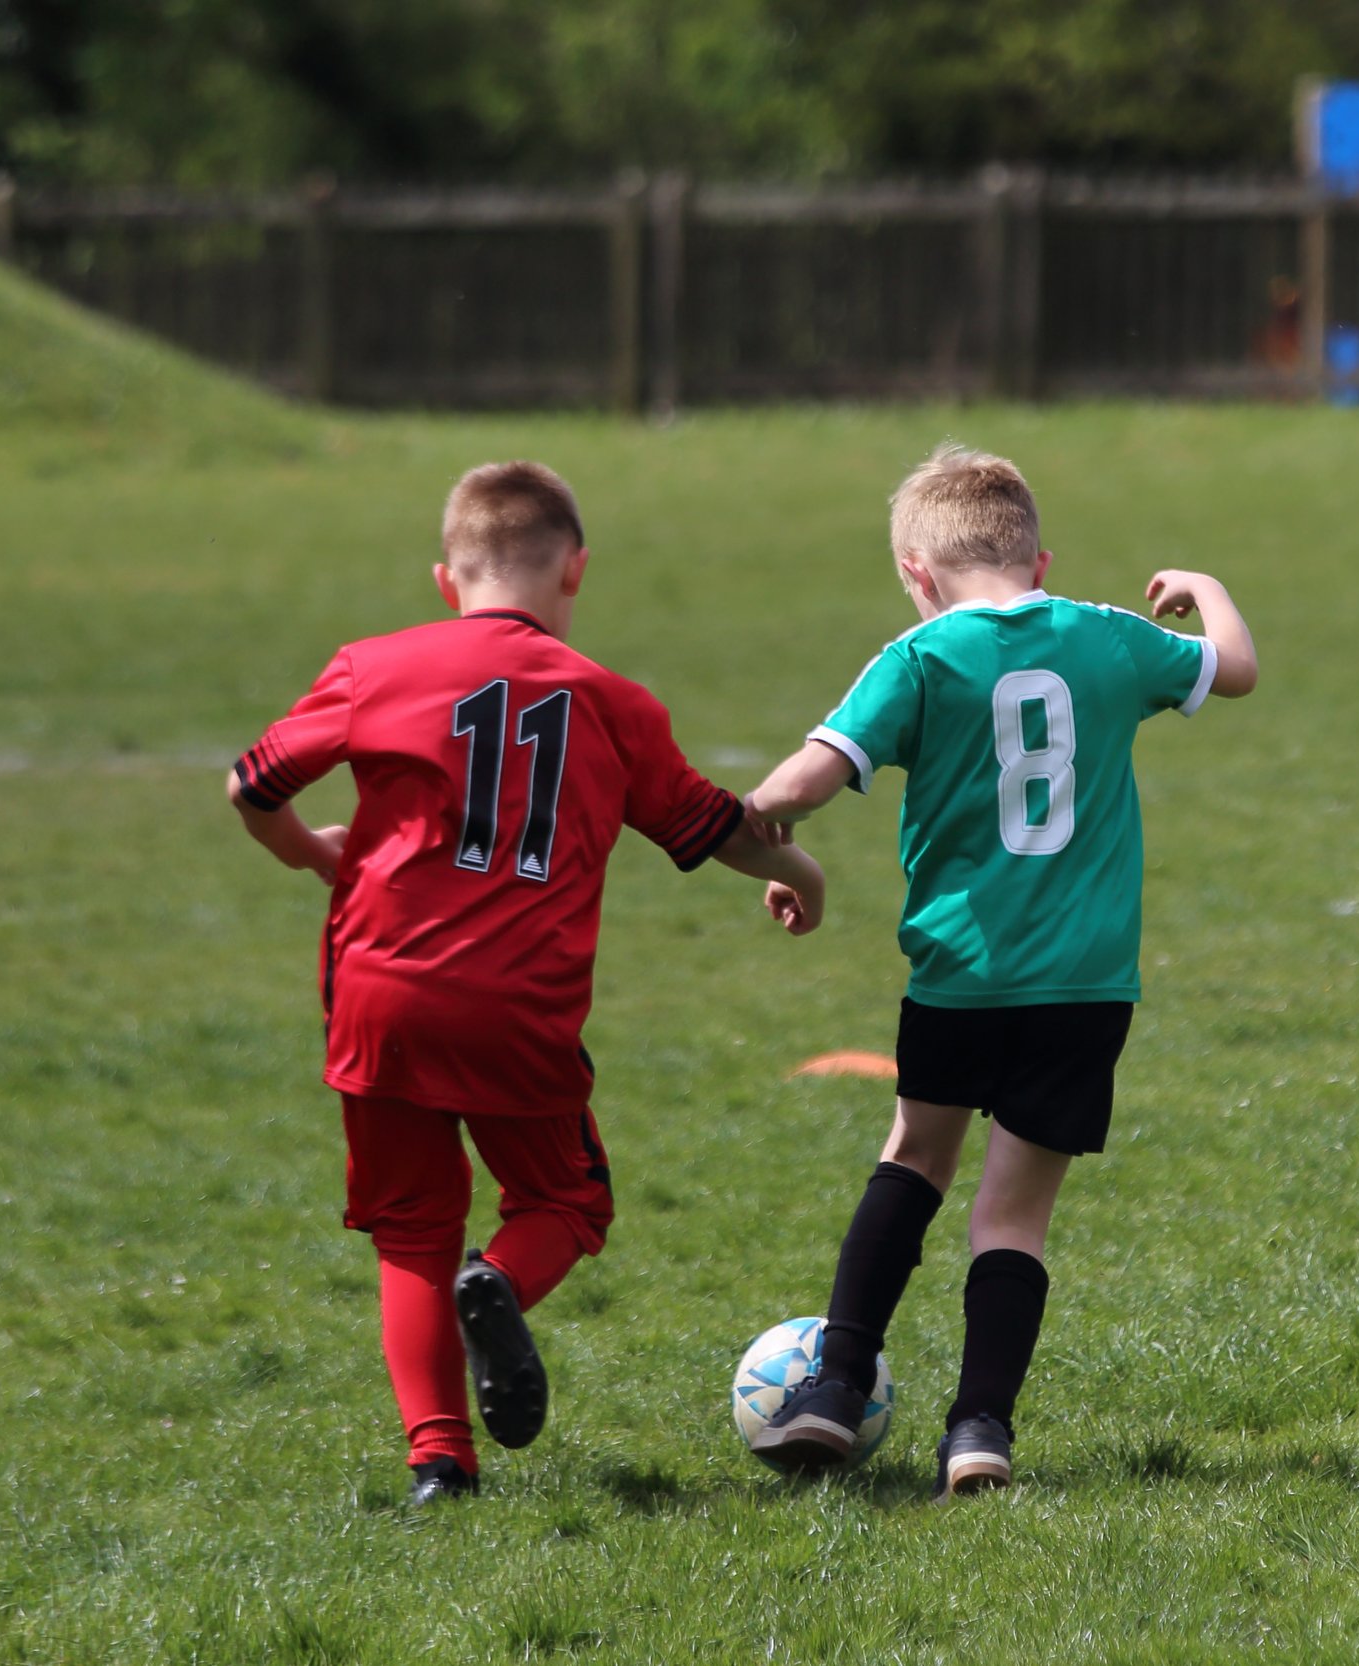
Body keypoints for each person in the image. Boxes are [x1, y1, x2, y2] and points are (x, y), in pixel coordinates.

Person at [228, 460, 825, 1506]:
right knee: (564, 1197)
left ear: (445, 578)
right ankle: (496, 1283)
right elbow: (709, 826)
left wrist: (308, 855)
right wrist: (798, 869)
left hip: (381, 990)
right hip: (517, 1006)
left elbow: (255, 783)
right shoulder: (610, 703)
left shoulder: (373, 666)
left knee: (412, 1223)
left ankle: (437, 1467)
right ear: (575, 569)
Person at [737, 442, 1257, 1499]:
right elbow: (1234, 668)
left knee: (913, 1160)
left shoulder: (918, 659)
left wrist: (774, 844)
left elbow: (806, 775)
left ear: (916, 574)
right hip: (1086, 986)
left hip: (959, 977)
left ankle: (833, 1389)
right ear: (1040, 560)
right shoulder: (1111, 637)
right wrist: (1202, 590)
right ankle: (979, 1432)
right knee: (1011, 1218)